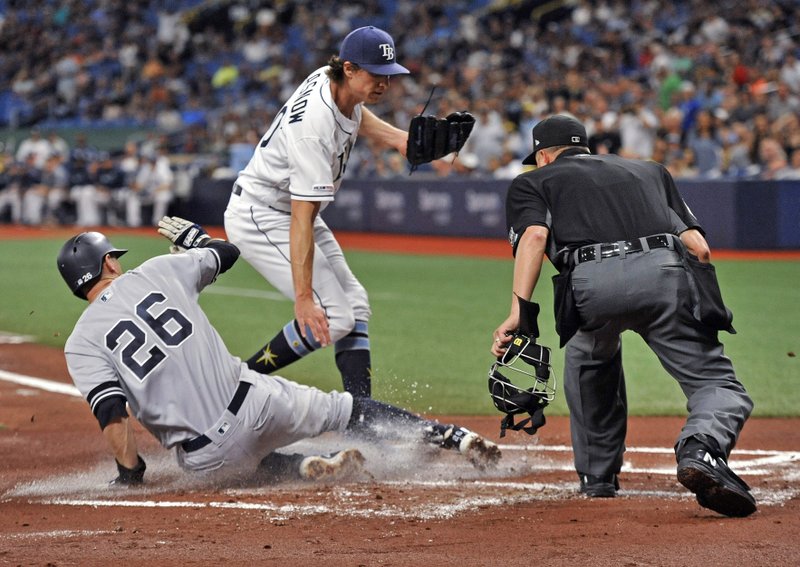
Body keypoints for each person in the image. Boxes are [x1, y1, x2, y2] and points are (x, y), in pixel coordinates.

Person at [57, 220, 499, 486]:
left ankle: (308, 467)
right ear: (108, 263)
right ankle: (452, 436)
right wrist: (196, 239)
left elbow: (112, 416)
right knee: (347, 410)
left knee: (248, 468)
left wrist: (132, 474)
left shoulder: (80, 344)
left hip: (207, 457)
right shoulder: (156, 271)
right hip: (259, 403)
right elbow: (226, 253)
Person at [490, 115, 756, 517]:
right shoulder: (650, 171)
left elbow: (535, 236)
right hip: (663, 275)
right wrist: (700, 306)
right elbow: (699, 248)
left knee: (590, 360)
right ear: (586, 146)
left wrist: (519, 312)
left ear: (543, 156)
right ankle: (701, 446)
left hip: (591, 285)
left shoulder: (533, 181)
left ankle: (597, 478)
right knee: (713, 382)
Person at [223, 26, 411, 399]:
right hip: (261, 214)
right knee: (334, 316)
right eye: (376, 74)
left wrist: (400, 140)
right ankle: (233, 387)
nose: (384, 84)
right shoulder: (314, 126)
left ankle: (361, 413)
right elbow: (301, 218)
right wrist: (303, 297)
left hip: (285, 207)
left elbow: (355, 113)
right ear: (349, 68)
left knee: (354, 305)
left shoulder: (332, 79)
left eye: (389, 75)